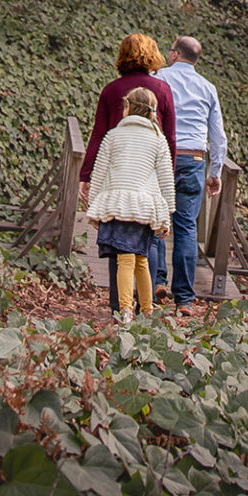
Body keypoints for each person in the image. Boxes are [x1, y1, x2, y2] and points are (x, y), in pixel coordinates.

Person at [80, 33, 177, 311]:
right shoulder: (161, 89)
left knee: (119, 247)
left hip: (117, 180)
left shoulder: (111, 90)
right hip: (148, 181)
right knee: (147, 247)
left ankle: (119, 305)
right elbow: (170, 138)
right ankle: (148, 303)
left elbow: (99, 134)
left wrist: (87, 176)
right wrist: (165, 183)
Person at [154, 35, 228, 315]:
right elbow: (218, 137)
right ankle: (184, 299)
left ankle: (157, 282)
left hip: (163, 156)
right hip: (194, 160)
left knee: (157, 220)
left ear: (174, 55)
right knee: (186, 227)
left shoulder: (158, 78)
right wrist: (216, 172)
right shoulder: (208, 88)